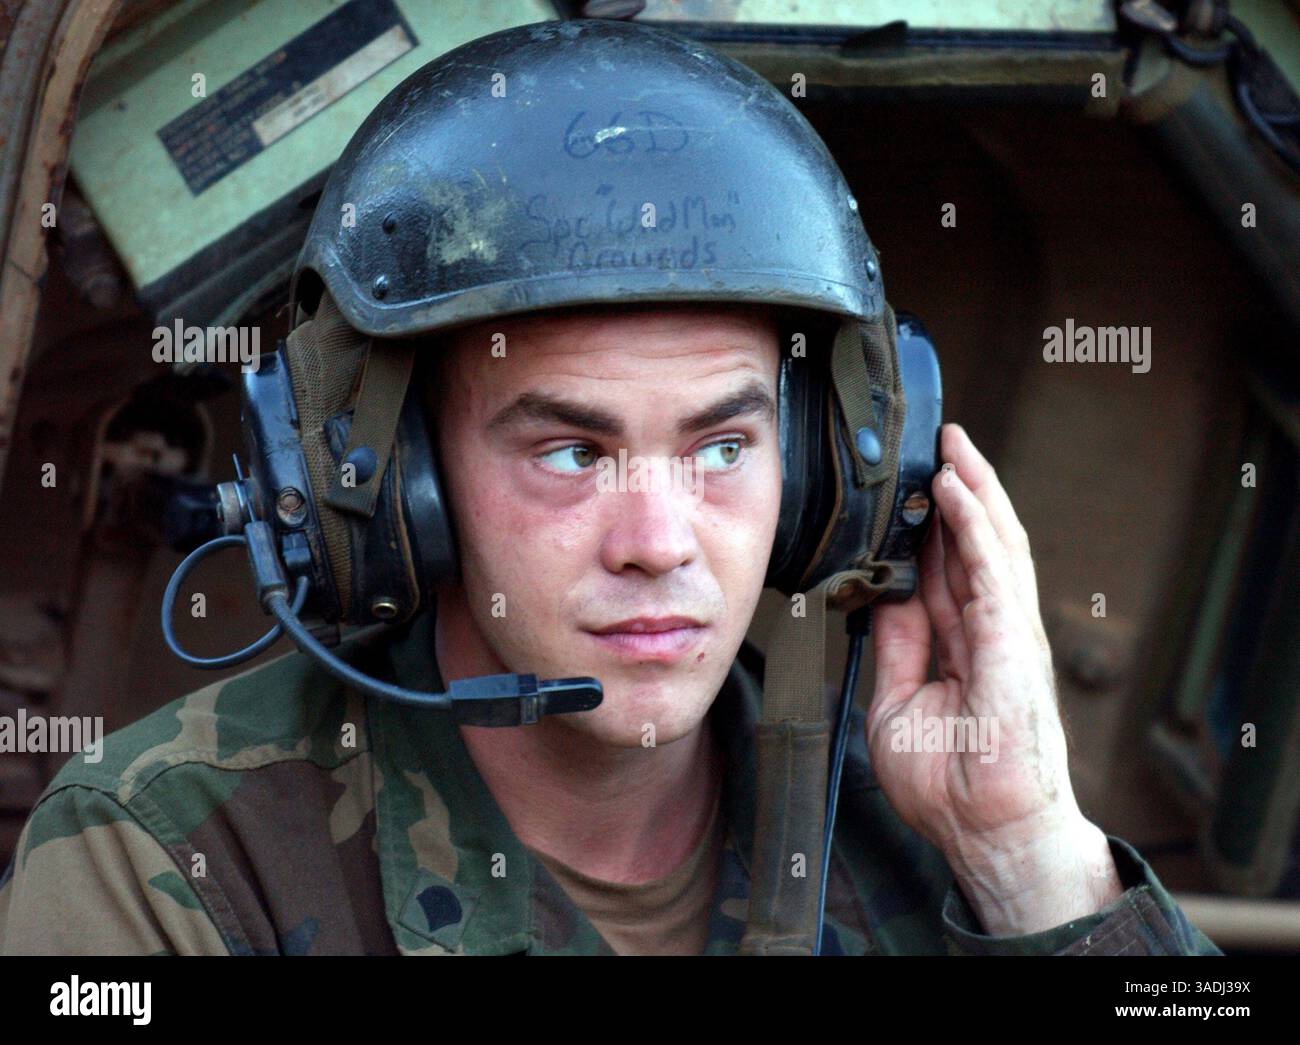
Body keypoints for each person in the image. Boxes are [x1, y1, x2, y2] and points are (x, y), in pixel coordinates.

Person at [0, 19, 1218, 956]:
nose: (657, 542)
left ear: (827, 482)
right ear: (396, 483)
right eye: (571, 452)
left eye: (722, 448)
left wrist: (1030, 863)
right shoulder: (168, 855)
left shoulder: (925, 838)